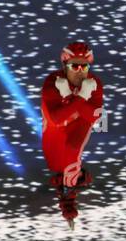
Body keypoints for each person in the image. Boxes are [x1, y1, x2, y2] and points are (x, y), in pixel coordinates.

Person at [41, 42, 103, 227]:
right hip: (56, 129)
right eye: (75, 66)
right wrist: (82, 98)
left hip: (79, 126)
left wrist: (70, 98)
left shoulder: (94, 83)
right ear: (64, 65)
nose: (80, 71)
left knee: (72, 151)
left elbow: (96, 118)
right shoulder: (52, 82)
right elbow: (56, 119)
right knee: (55, 164)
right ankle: (72, 177)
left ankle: (68, 197)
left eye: (84, 67)